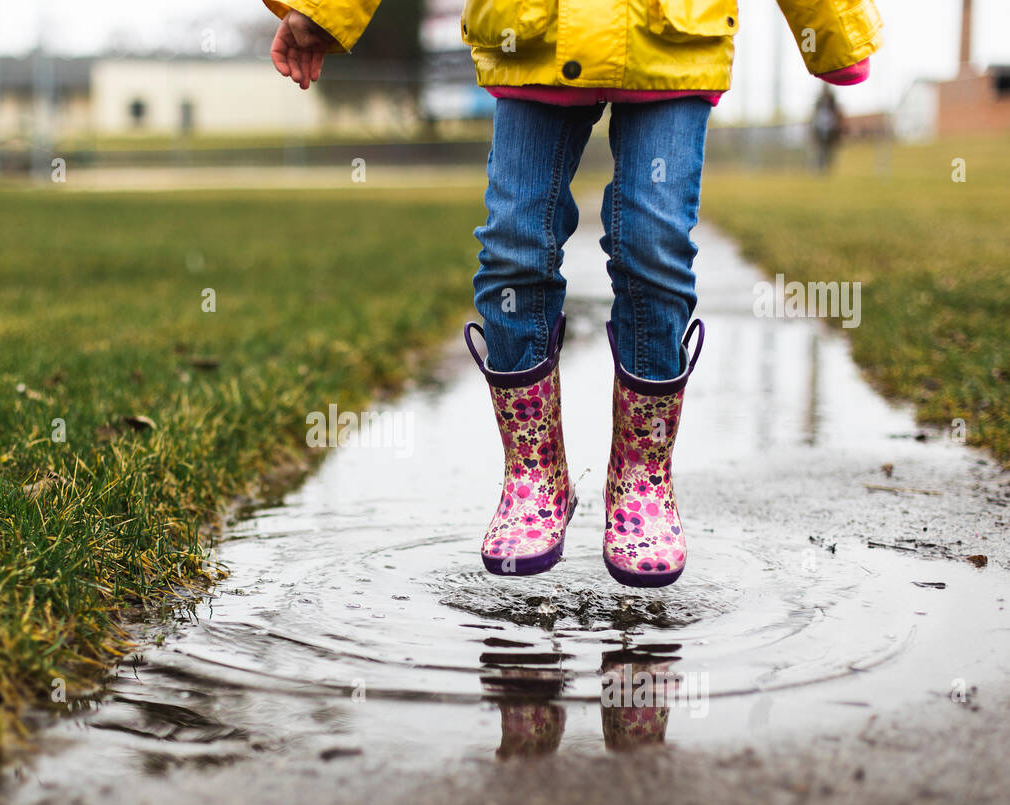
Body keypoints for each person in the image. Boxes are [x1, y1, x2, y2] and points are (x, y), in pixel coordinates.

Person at [265, 1, 880, 586]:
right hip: (534, 36)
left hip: (671, 42)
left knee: (653, 246)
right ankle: (535, 475)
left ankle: (642, 479)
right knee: (512, 248)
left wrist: (833, 28)